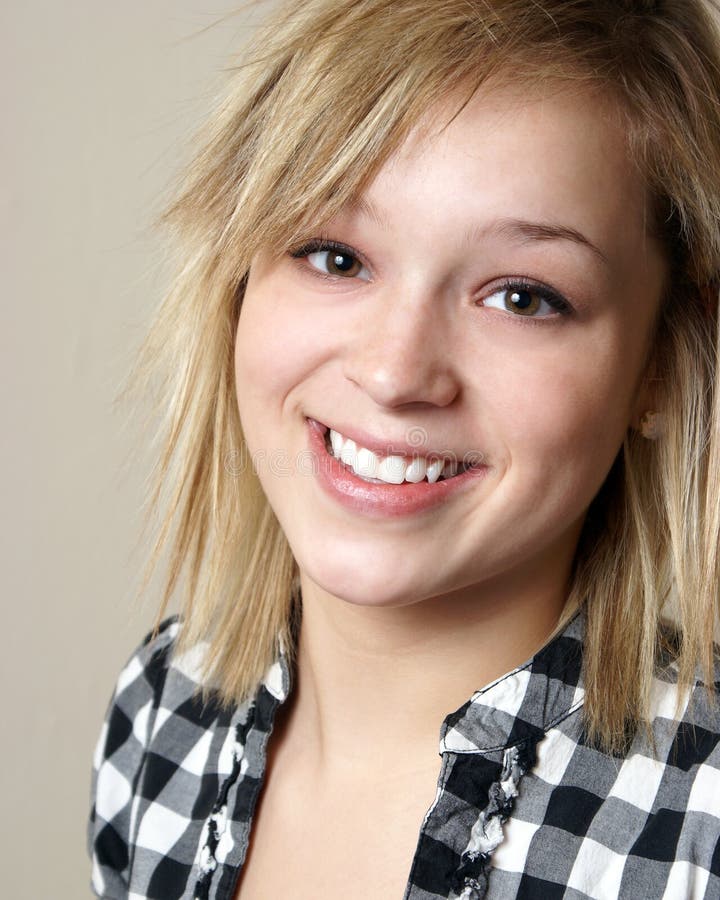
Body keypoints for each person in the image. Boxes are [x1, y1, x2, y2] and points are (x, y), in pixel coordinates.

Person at [88, 1, 720, 897]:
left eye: (523, 297)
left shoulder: (702, 829)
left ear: (657, 365)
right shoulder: (161, 711)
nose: (394, 372)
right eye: (336, 256)